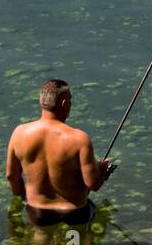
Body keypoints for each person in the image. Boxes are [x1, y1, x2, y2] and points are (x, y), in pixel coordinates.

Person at [6, 78, 113, 226]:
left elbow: (11, 175)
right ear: (64, 103)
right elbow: (92, 184)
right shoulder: (79, 139)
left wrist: (22, 196)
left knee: (43, 240)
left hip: (38, 211)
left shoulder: (19, 133)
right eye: (70, 99)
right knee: (76, 243)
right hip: (74, 213)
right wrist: (102, 173)